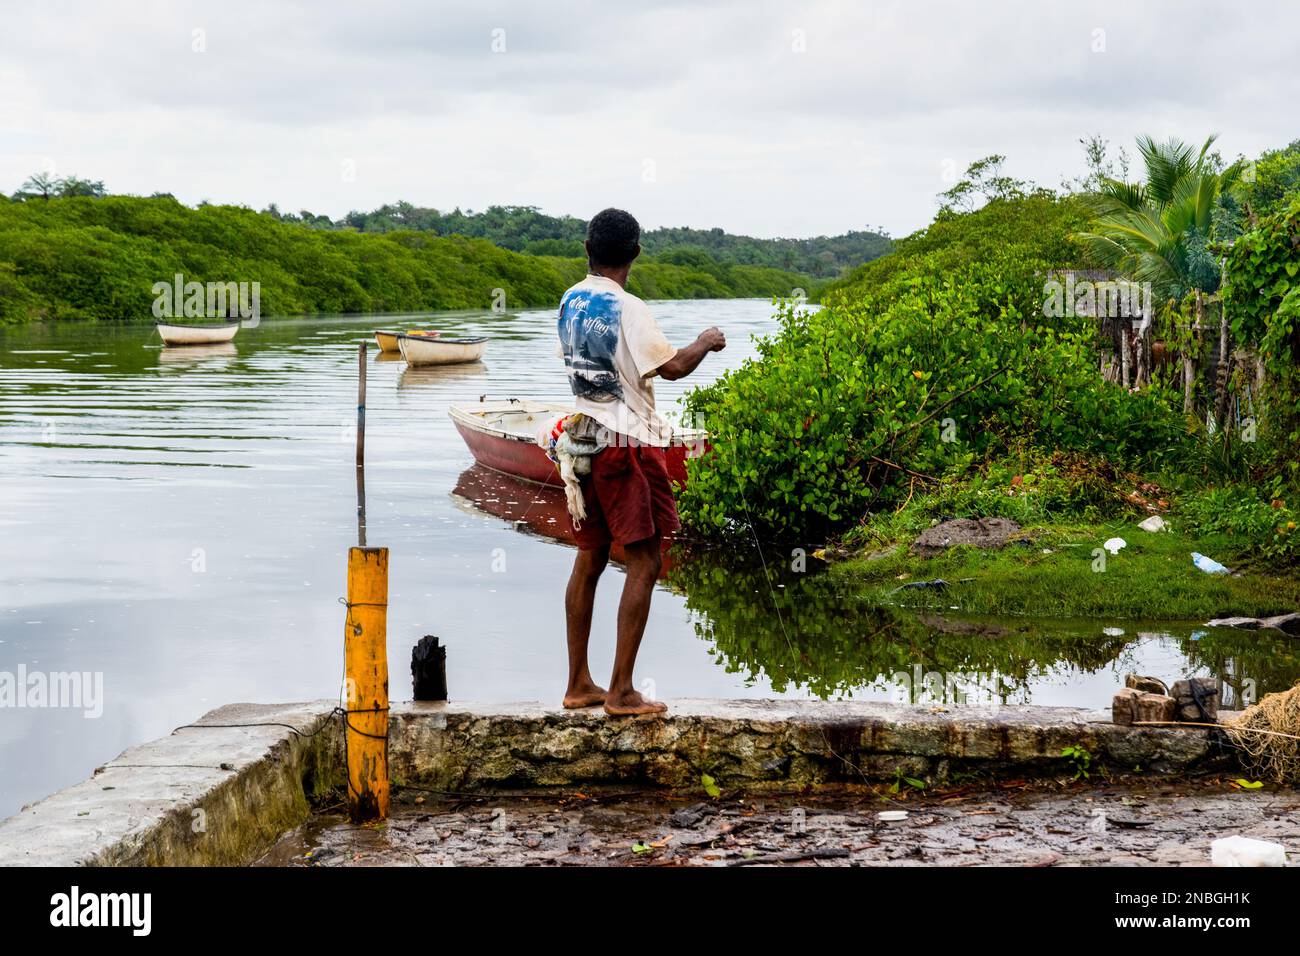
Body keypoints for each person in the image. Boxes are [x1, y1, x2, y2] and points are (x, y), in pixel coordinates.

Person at [556, 208, 725, 716]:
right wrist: (706, 342)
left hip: (585, 440)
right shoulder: (629, 308)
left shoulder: (570, 299)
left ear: (588, 249)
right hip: (628, 446)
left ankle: (578, 684)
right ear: (634, 253)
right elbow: (671, 368)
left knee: (589, 558)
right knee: (646, 560)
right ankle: (621, 691)